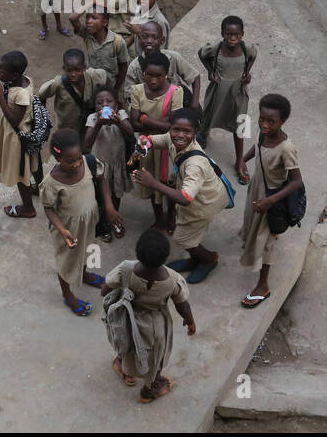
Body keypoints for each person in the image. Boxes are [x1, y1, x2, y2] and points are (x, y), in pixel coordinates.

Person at [133, 107, 228, 283]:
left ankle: (209, 259)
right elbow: (158, 140)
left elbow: (184, 199)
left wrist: (153, 183)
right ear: (170, 128)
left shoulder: (195, 165)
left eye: (187, 131)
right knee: (186, 235)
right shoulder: (172, 138)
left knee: (182, 238)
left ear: (195, 133)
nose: (180, 135)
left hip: (205, 202)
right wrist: (146, 140)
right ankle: (194, 260)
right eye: (176, 129)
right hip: (197, 194)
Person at [100, 228, 195, 402]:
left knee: (126, 344)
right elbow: (182, 306)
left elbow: (104, 290)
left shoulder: (126, 268)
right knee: (155, 357)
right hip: (155, 325)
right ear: (166, 257)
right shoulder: (172, 280)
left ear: (138, 252)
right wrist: (190, 322)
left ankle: (125, 370)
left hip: (127, 319)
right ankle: (148, 391)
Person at [39, 128, 121, 316]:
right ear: (58, 158)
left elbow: (103, 181)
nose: (76, 164)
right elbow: (48, 208)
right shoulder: (51, 183)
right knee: (67, 262)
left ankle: (85, 273)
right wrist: (62, 230)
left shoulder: (89, 163)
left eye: (78, 158)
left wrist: (109, 206)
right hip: (67, 229)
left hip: (90, 220)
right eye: (70, 161)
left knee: (88, 248)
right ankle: (67, 294)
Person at [238, 93, 302, 307]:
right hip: (257, 189)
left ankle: (262, 286)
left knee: (266, 243)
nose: (264, 125)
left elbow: (296, 182)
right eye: (262, 119)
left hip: (271, 198)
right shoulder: (264, 132)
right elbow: (257, 148)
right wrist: (242, 160)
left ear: (282, 122)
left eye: (271, 122)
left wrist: (270, 201)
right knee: (252, 223)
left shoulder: (286, 148)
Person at [128, 52, 186, 231]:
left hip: (168, 148)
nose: (153, 80)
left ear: (166, 74)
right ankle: (159, 217)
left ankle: (171, 218)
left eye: (158, 76)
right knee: (151, 183)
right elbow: (133, 123)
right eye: (149, 75)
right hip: (146, 148)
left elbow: (174, 127)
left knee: (170, 183)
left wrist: (145, 119)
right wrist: (159, 124)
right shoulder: (137, 90)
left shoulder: (176, 92)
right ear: (143, 73)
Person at [198, 15, 257, 182]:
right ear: (222, 33)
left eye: (236, 35)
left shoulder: (247, 49)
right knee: (209, 114)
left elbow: (254, 56)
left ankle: (240, 160)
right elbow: (201, 54)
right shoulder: (216, 49)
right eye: (229, 34)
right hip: (219, 91)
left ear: (242, 34)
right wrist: (210, 71)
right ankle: (203, 134)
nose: (232, 38)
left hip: (239, 92)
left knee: (241, 125)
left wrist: (247, 71)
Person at [0, 50, 41, 219]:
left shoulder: (21, 93)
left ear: (14, 75)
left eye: (2, 71)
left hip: (19, 137)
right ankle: (39, 188)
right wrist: (1, 89)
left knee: (20, 173)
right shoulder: (25, 80)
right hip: (29, 130)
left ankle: (28, 208)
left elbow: (14, 120)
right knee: (34, 161)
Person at [83, 85, 133, 241]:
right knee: (99, 197)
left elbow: (130, 132)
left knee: (116, 194)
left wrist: (118, 122)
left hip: (117, 163)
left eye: (109, 101)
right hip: (99, 166)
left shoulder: (121, 114)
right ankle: (102, 225)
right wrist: (98, 123)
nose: (105, 105)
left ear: (116, 104)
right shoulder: (92, 118)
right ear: (95, 106)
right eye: (100, 102)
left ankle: (114, 220)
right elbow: (87, 144)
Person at [123, 20, 200, 108]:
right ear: (139, 39)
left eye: (154, 38)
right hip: (150, 109)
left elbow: (195, 76)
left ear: (162, 40)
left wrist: (195, 102)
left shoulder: (173, 58)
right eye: (144, 37)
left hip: (177, 105)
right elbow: (129, 95)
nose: (149, 41)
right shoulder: (134, 66)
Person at [37, 49, 110, 134]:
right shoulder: (58, 83)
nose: (73, 74)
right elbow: (42, 94)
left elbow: (106, 80)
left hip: (90, 124)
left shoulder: (94, 76)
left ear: (84, 67)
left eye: (78, 70)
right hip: (67, 127)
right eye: (69, 70)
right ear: (64, 68)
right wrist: (43, 118)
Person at [69, 3, 129, 98]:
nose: (88, 21)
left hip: (110, 86)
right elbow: (73, 18)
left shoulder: (117, 41)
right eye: (87, 17)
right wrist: (91, 2)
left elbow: (123, 67)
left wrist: (116, 88)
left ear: (105, 22)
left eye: (94, 18)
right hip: (92, 86)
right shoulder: (87, 36)